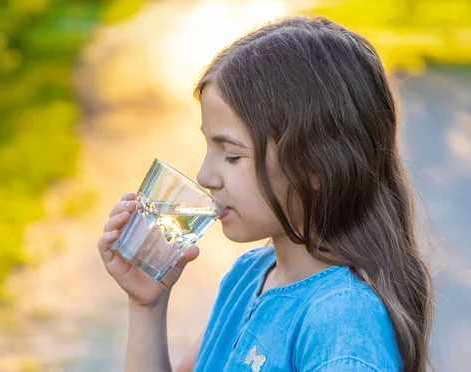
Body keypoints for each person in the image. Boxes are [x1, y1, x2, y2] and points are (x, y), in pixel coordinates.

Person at [97, 16, 434, 372]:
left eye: (231, 155)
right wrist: (146, 306)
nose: (204, 176)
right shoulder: (249, 276)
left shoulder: (343, 326)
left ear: (314, 167)